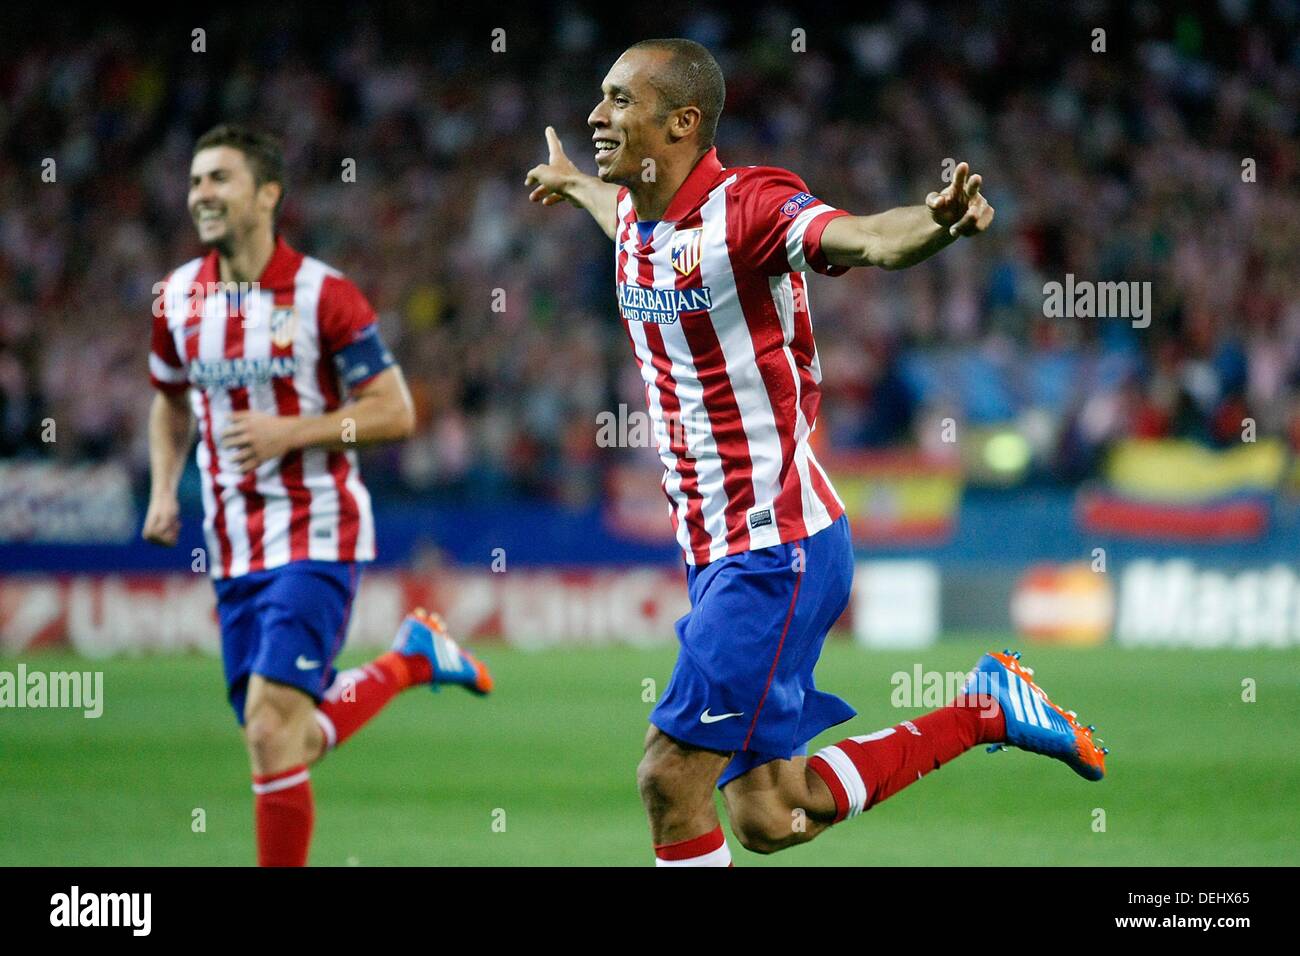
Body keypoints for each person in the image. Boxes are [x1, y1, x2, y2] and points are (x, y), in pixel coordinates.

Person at [526, 39, 1105, 866]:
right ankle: (984, 709)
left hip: (774, 548)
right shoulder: (635, 217)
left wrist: (934, 224)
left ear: (683, 123)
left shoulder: (751, 210)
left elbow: (867, 237)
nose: (595, 115)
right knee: (771, 815)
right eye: (601, 97)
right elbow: (607, 208)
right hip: (722, 553)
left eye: (620, 100)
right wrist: (571, 181)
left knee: (669, 779)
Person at [143, 124, 492, 866]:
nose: (202, 193)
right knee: (283, 739)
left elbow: (396, 412)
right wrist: (162, 491)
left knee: (272, 733)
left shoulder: (322, 295)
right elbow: (169, 401)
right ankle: (410, 659)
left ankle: (411, 658)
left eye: (220, 179)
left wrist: (290, 433)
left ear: (267, 194)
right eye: (197, 179)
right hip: (231, 546)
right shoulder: (174, 297)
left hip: (316, 534)